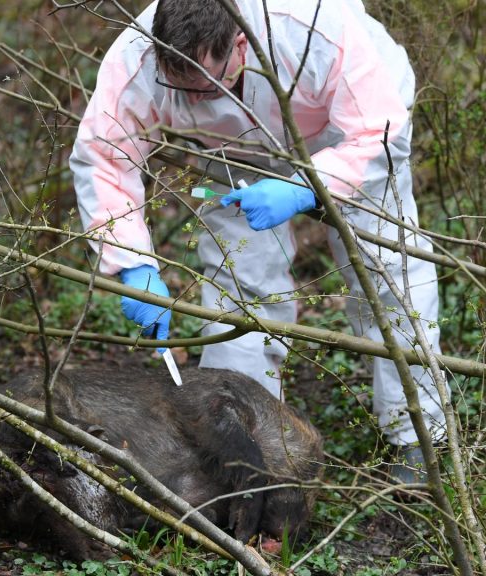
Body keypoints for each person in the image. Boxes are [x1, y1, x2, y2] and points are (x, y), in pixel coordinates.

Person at [69, 0, 446, 482]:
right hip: (230, 151)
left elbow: (379, 131)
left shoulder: (316, 29)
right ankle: (247, 447)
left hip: (344, 131)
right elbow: (104, 155)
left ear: (240, 44)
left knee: (386, 267)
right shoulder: (138, 57)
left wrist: (306, 185)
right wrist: (131, 264)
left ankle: (416, 435)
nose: (198, 97)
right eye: (181, 87)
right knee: (238, 284)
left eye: (208, 85)